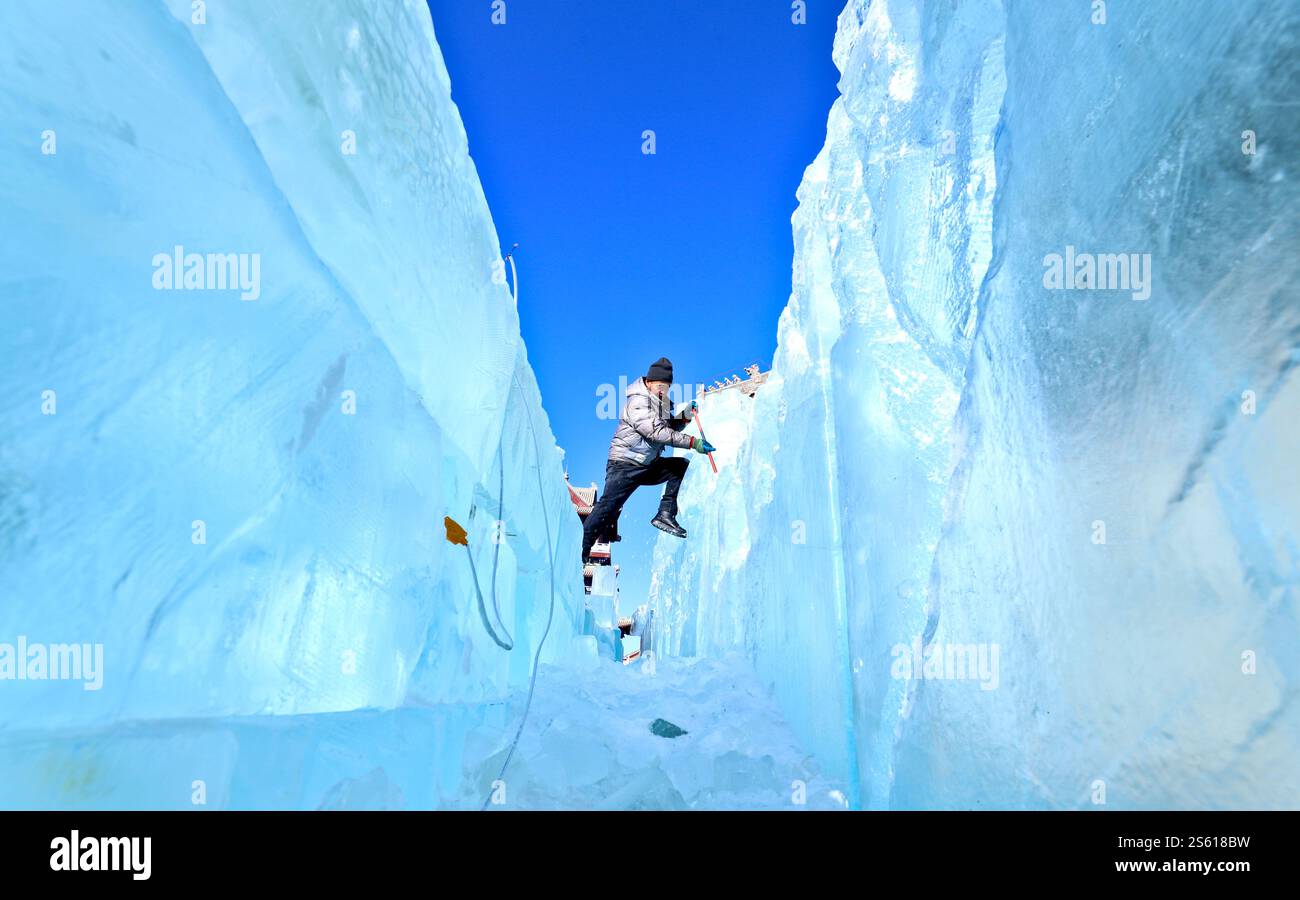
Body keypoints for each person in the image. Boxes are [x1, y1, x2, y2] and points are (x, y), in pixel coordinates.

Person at [581, 357, 715, 562]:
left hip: (646, 464)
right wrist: (693, 443)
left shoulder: (659, 404)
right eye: (660, 385)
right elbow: (656, 433)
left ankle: (665, 514)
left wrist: (685, 416)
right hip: (624, 464)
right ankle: (580, 548)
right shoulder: (638, 400)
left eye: (667, 387)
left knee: (679, 467)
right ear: (649, 382)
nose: (664, 390)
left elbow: (668, 429)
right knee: (608, 507)